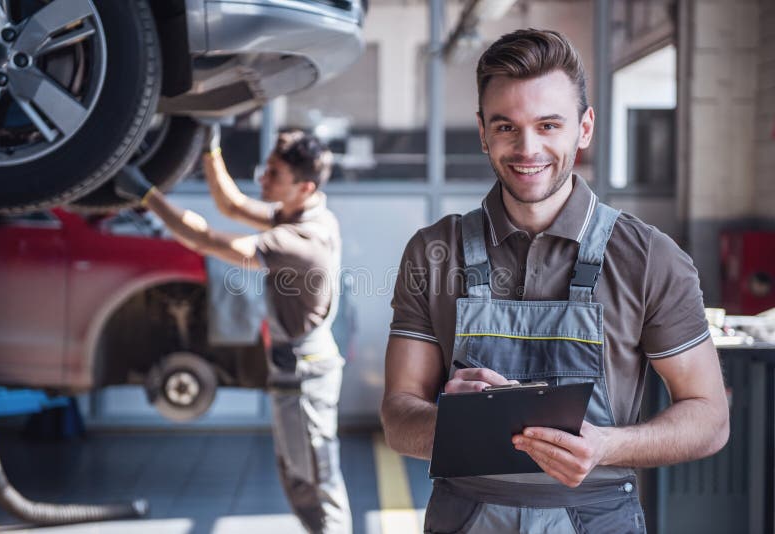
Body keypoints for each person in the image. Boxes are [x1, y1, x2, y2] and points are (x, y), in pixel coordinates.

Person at [381, 28, 729, 533]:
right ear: (482, 132)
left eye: (549, 125)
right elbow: (397, 416)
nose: (528, 149)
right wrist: (456, 423)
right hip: (467, 517)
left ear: (584, 128)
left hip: (598, 517)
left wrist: (606, 445)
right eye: (506, 127)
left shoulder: (650, 258)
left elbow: (710, 416)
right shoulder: (434, 252)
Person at [115, 127, 352, 534]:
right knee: (300, 480)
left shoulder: (301, 238)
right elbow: (231, 204)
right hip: (296, 369)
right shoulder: (302, 211)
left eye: (273, 174)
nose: (262, 178)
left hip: (304, 376)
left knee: (314, 483)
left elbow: (207, 240)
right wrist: (209, 147)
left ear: (304, 186)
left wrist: (147, 196)